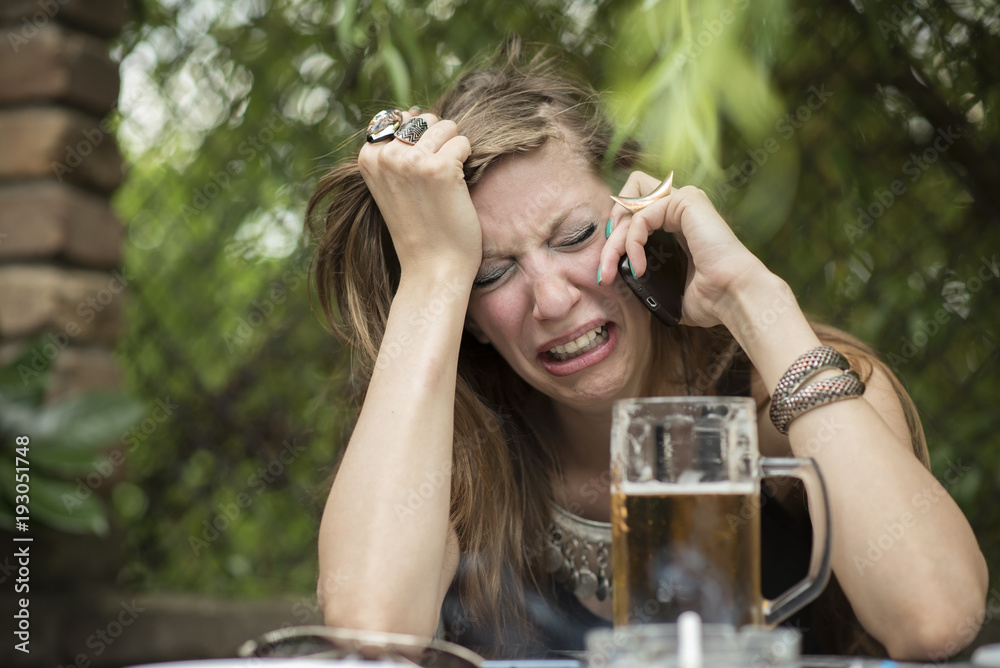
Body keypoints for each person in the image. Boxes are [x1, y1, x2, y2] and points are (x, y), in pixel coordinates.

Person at [307, 42, 987, 659]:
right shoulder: (446, 446)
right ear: (469, 317)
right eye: (490, 272)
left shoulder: (787, 389)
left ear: (642, 215)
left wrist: (755, 301)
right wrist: (431, 278)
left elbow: (937, 616)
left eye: (575, 236)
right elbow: (371, 635)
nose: (551, 299)